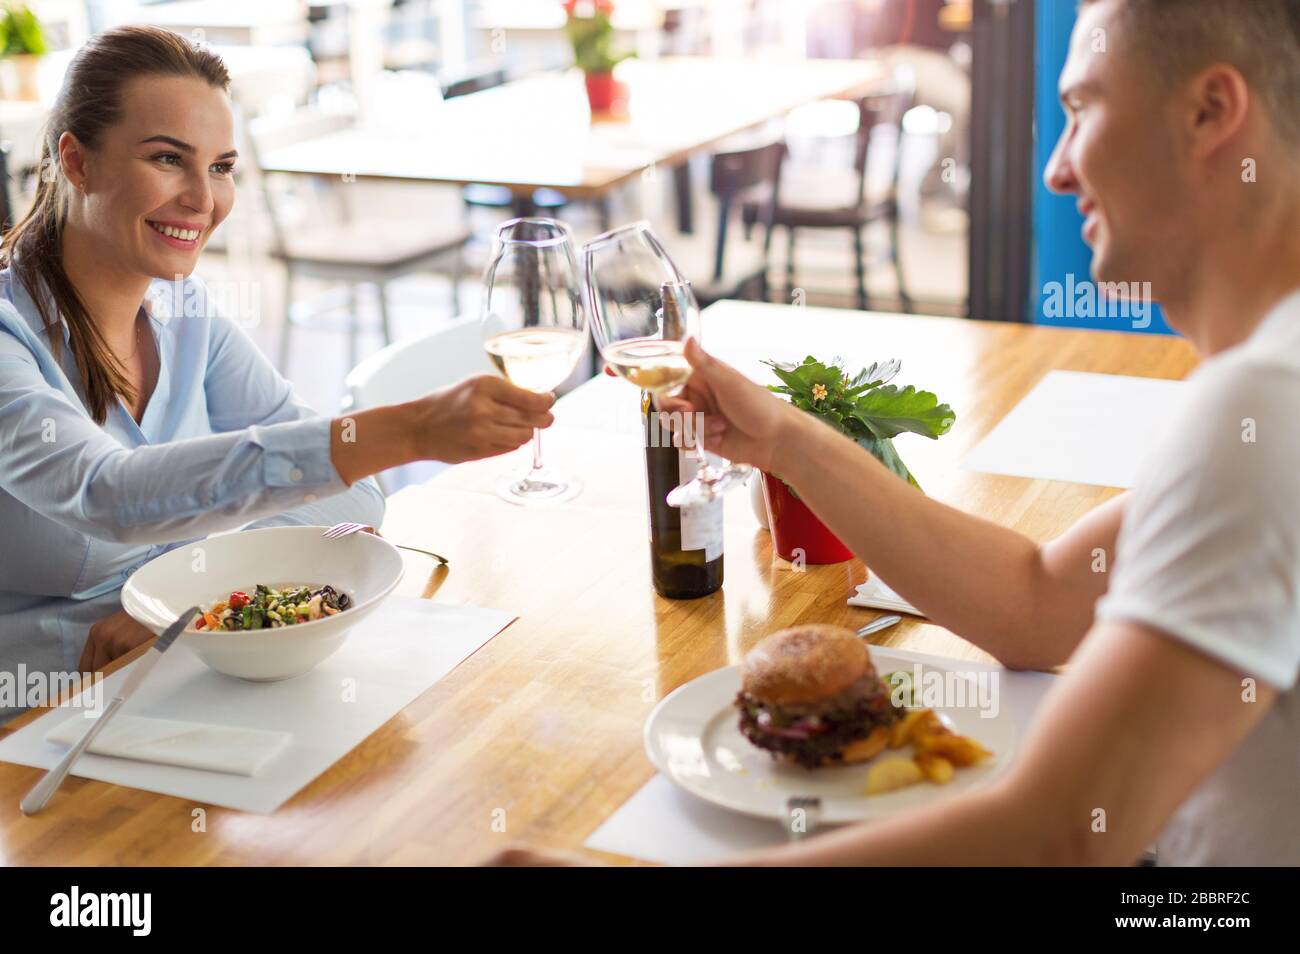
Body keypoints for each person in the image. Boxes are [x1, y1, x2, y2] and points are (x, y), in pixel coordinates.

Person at [496, 0, 1300, 866]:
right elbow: (1038, 605)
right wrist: (785, 442)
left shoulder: (1263, 409)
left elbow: (1057, 834)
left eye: (1082, 109)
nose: (1058, 170)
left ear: (1210, 112)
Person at [0, 26, 553, 724]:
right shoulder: (8, 341)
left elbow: (353, 503)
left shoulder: (187, 314)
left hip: (185, 687)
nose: (204, 199)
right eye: (169, 159)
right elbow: (107, 494)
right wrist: (409, 428)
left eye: (222, 166)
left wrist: (183, 594)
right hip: (38, 727)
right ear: (77, 163)